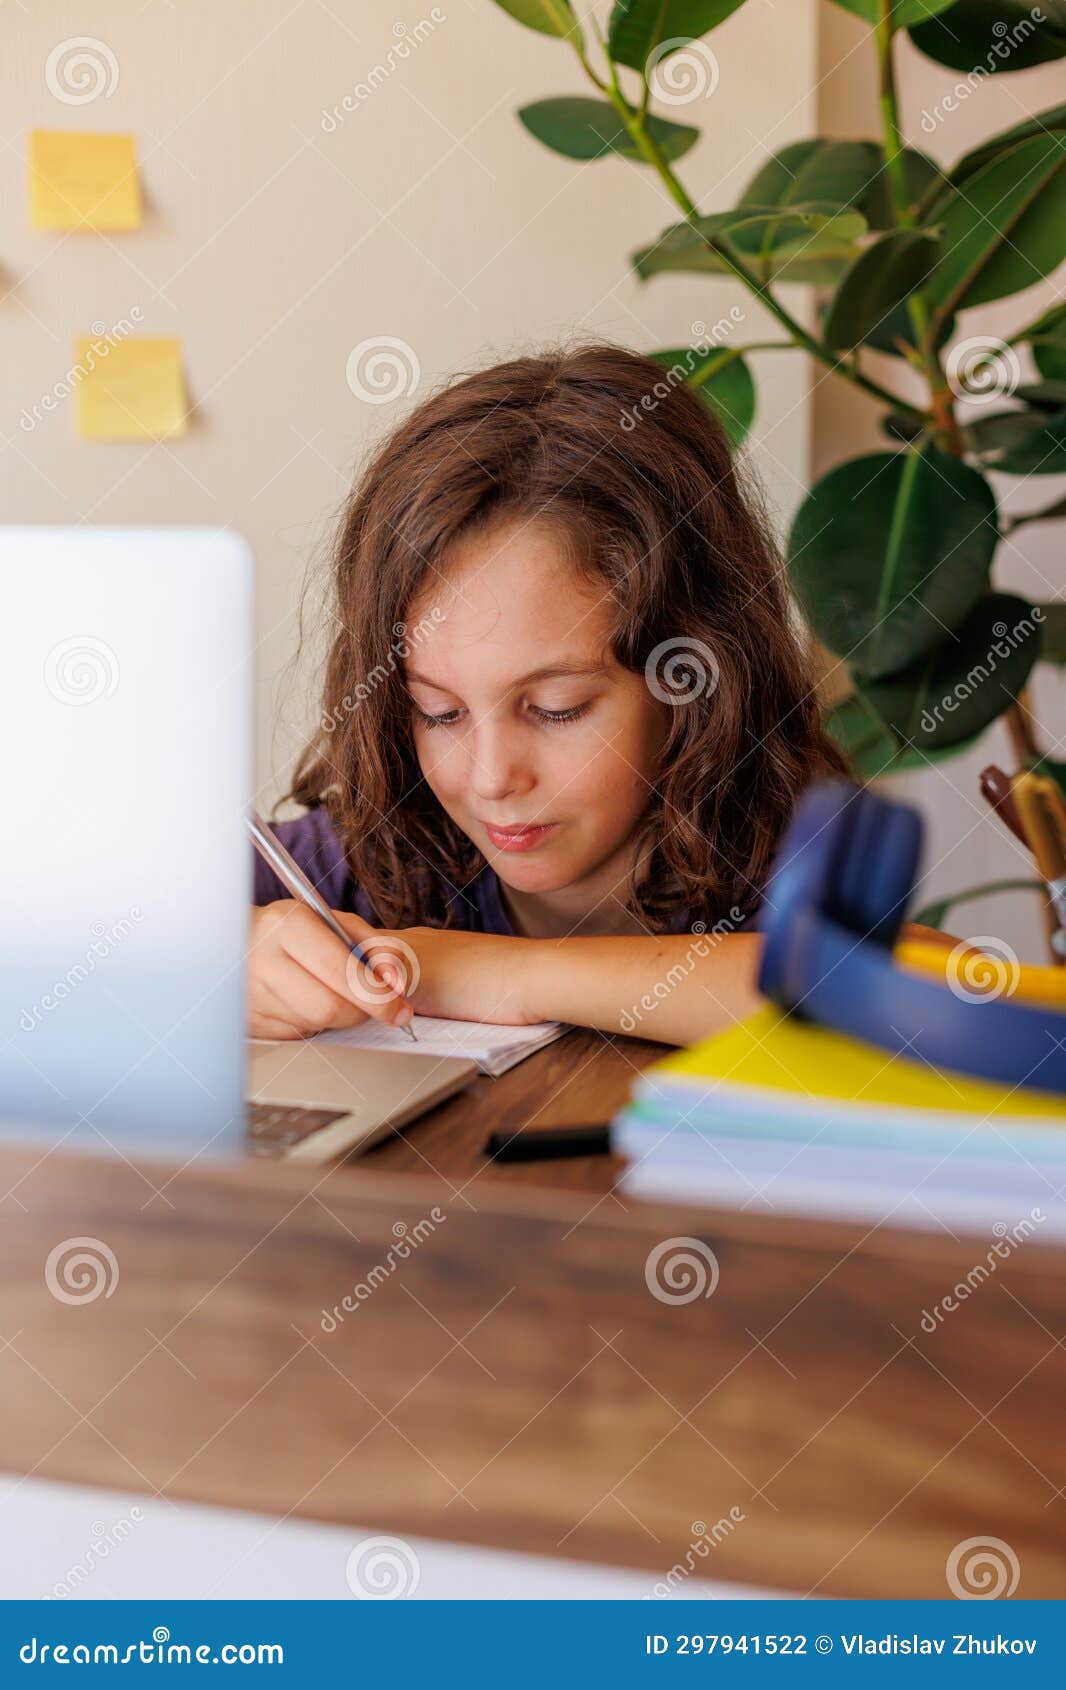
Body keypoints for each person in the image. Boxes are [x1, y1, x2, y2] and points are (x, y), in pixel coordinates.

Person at [249, 341, 860, 1048]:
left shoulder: (786, 855)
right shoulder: (387, 848)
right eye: (438, 712)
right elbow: (106, 931)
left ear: (692, 679)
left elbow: (909, 993)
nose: (491, 779)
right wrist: (240, 957)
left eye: (555, 708)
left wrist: (487, 972)